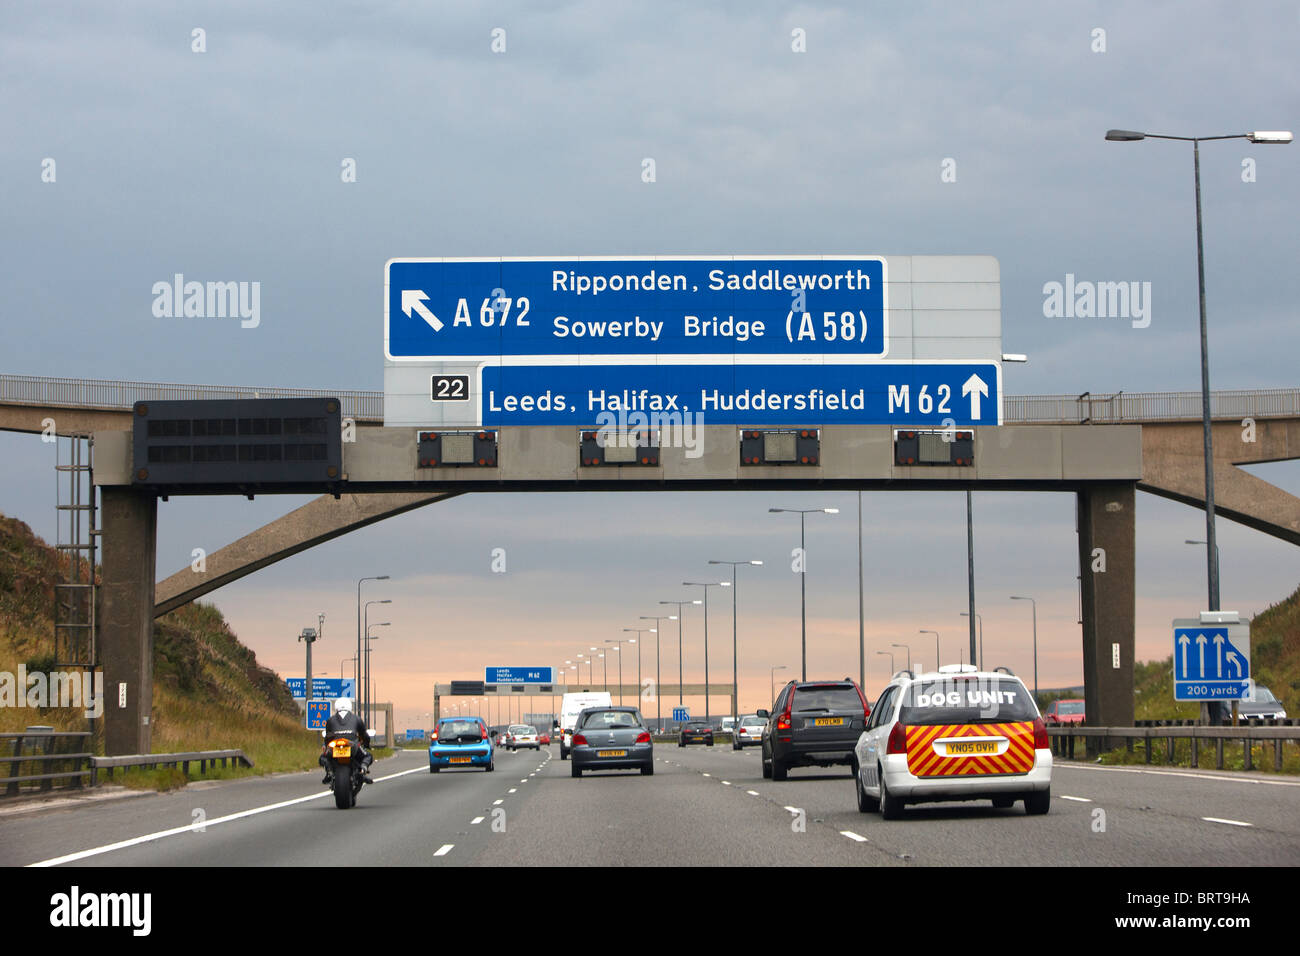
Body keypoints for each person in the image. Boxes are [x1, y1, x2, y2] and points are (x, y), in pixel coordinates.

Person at [319, 697, 374, 785]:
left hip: (335, 744)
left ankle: (329, 772)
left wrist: (326, 747)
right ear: (350, 707)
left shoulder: (330, 719)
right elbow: (364, 735)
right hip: (351, 744)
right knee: (367, 756)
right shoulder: (357, 718)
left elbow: (328, 736)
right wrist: (367, 745)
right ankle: (362, 770)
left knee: (323, 757)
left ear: (336, 707)